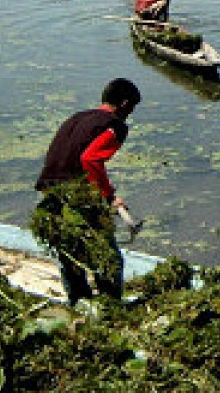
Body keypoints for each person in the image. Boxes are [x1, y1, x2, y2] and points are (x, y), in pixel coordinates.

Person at [32, 78, 141, 305]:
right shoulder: (115, 125)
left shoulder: (77, 118)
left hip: (51, 190)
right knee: (107, 257)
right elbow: (90, 159)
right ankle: (111, 307)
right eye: (132, 108)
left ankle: (78, 305)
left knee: (71, 254)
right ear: (124, 103)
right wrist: (108, 196)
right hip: (77, 194)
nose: (130, 114)